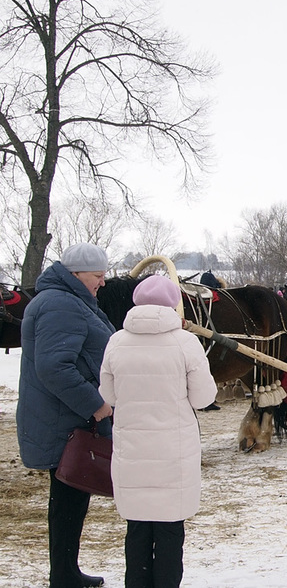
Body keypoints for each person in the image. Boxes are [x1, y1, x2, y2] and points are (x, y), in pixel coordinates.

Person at [98, 275, 218, 587]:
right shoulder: (185, 342)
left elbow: (108, 396)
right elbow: (204, 398)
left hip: (132, 451)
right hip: (173, 453)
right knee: (169, 533)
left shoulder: (116, 341)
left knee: (137, 530)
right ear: (173, 303)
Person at [16, 242, 114, 588]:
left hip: (63, 417)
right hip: (65, 420)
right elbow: (56, 367)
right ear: (76, 274)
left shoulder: (68, 300)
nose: (102, 282)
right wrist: (97, 404)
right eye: (97, 276)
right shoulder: (62, 304)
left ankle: (65, 571)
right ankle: (63, 575)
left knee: (70, 498)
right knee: (69, 498)